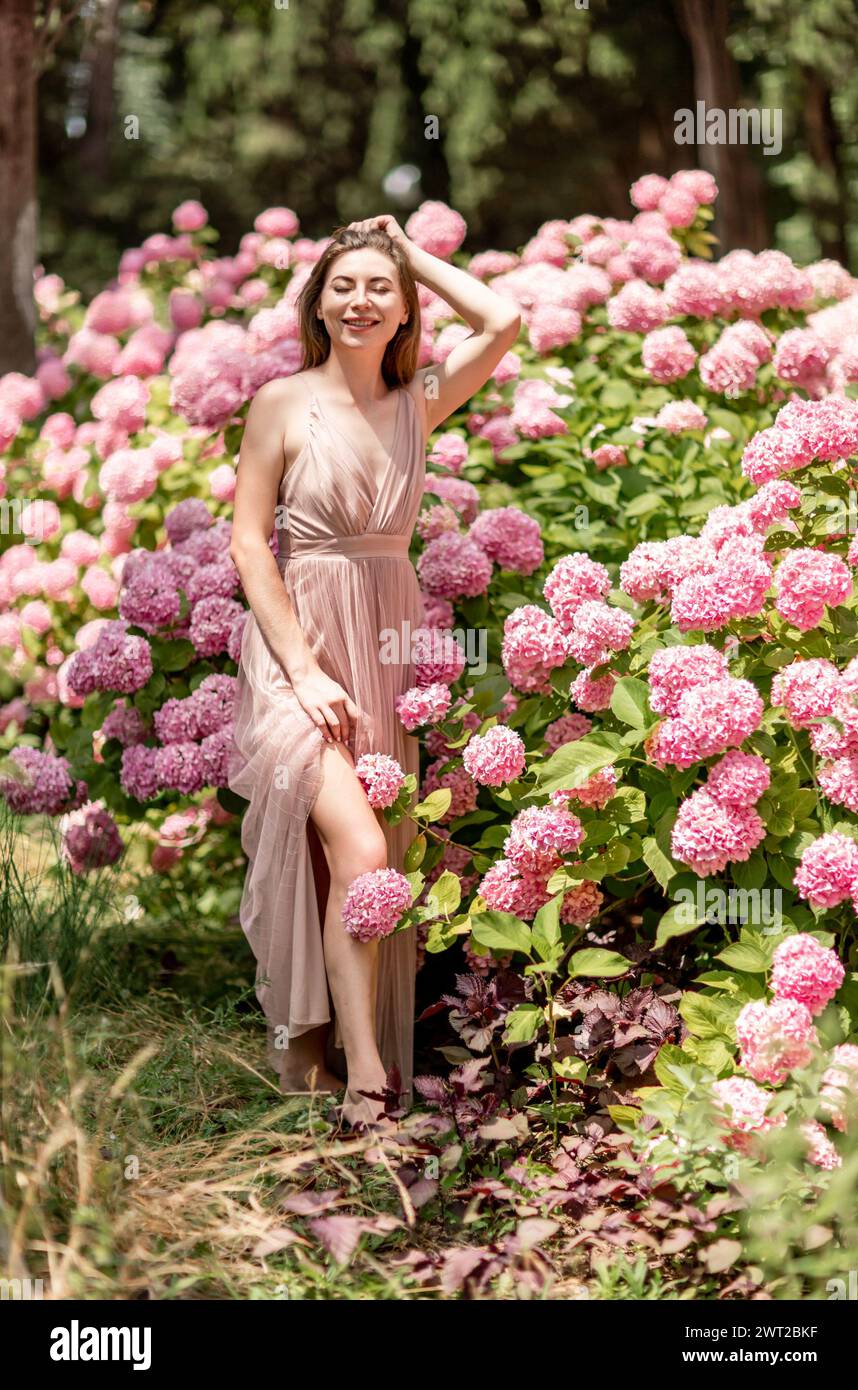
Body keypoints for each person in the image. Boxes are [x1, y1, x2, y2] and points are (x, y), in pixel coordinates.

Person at [228, 213, 520, 1129]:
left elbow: (502, 319)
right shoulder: (281, 401)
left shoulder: (417, 400)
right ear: (316, 303)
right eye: (341, 286)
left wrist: (407, 251)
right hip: (300, 653)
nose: (358, 301)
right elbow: (247, 543)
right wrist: (306, 672)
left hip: (382, 642)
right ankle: (365, 1079)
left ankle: (311, 1061)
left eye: (377, 290)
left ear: (403, 311)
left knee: (356, 864)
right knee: (357, 850)